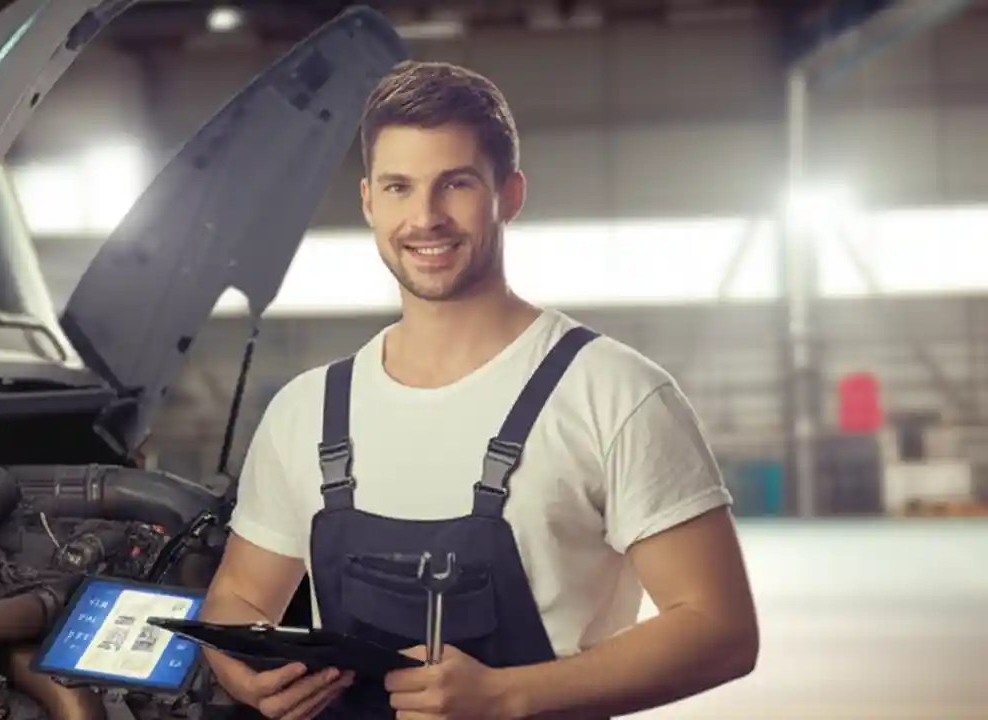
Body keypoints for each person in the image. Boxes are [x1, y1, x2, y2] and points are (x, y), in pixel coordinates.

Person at [199, 60, 759, 719]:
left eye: (456, 184)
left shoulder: (614, 393)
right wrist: (242, 676)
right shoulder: (306, 412)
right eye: (399, 187)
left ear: (510, 195)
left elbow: (720, 630)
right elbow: (238, 595)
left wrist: (506, 697)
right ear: (369, 202)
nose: (425, 217)